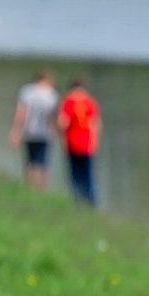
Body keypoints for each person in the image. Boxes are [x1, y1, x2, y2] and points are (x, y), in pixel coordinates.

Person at [9, 70, 59, 189]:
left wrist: (15, 130)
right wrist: (56, 131)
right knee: (42, 163)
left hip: (29, 132)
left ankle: (29, 186)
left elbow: (21, 112)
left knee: (29, 161)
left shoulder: (27, 91)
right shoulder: (52, 94)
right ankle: (42, 188)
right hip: (44, 133)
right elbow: (53, 116)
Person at [58, 78, 101, 206]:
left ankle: (77, 202)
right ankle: (91, 202)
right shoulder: (90, 101)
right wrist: (95, 141)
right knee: (88, 175)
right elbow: (96, 124)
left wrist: (62, 138)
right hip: (87, 143)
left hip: (72, 142)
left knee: (75, 174)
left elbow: (62, 122)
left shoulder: (68, 101)